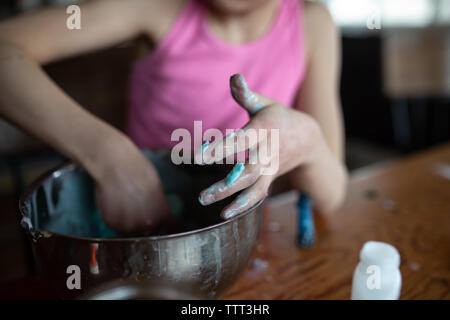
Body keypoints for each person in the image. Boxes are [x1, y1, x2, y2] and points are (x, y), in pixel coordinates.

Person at [0, 0, 348, 234]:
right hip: (133, 224)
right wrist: (109, 153)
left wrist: (309, 142)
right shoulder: (157, 6)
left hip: (242, 237)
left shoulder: (312, 22)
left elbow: (332, 196)